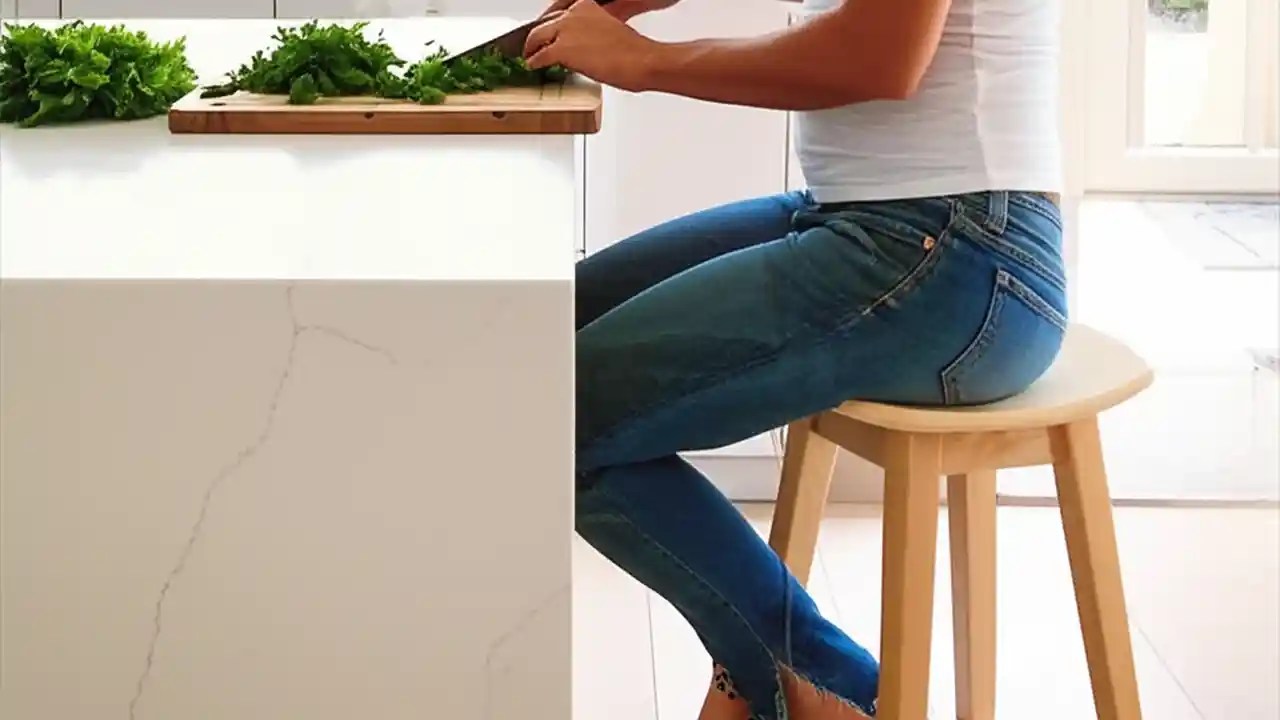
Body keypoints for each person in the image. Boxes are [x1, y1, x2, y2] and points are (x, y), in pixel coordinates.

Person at [526, 0, 1067, 717]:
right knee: (530, 347)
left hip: (959, 254)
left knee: (558, 406)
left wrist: (646, 60)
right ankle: (768, 674)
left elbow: (880, 54)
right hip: (869, 218)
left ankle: (830, 688)